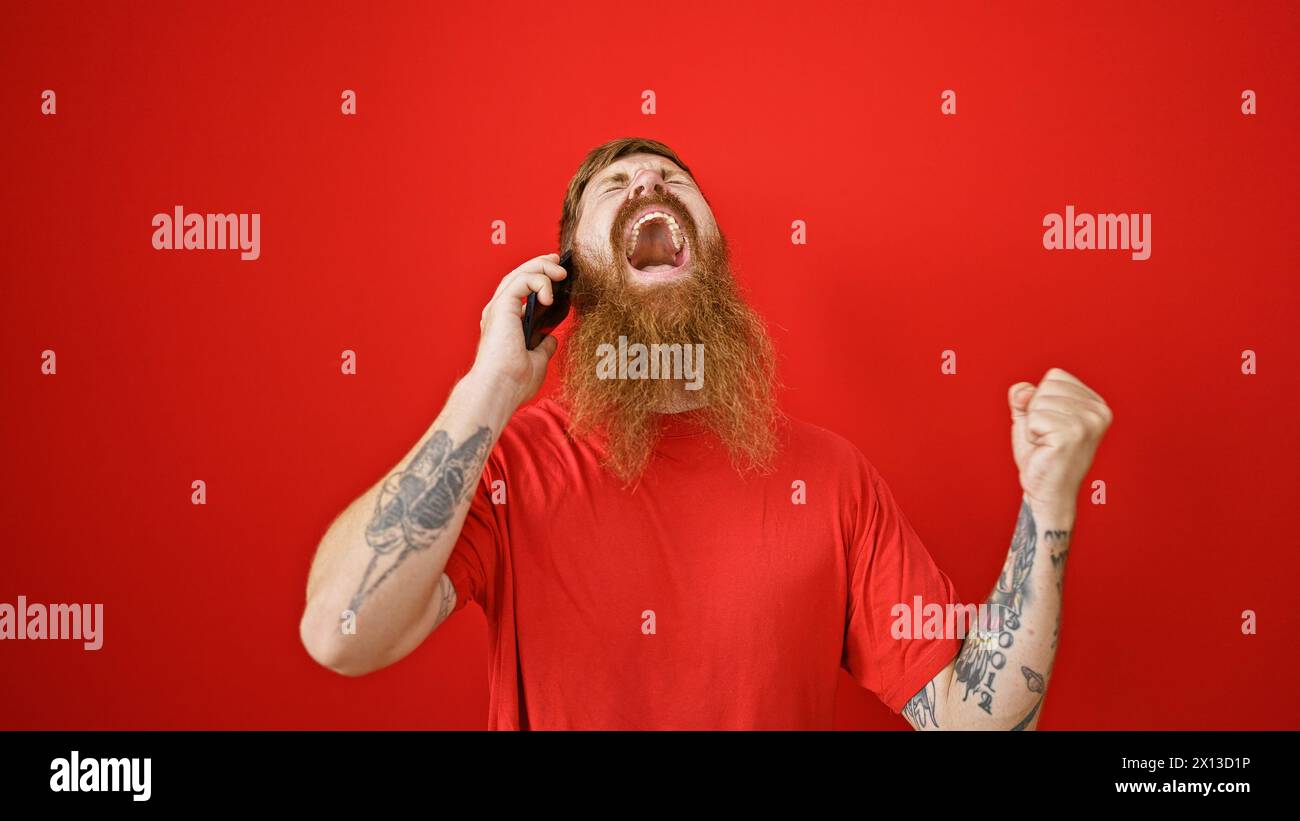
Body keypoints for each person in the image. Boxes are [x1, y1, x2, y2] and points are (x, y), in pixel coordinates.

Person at [299, 137, 1112, 730]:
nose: (649, 180)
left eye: (673, 179)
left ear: (713, 255)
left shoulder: (831, 478)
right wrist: (488, 388)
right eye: (614, 185)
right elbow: (341, 634)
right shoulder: (512, 464)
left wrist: (1048, 503)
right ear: (567, 276)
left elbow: (981, 722)